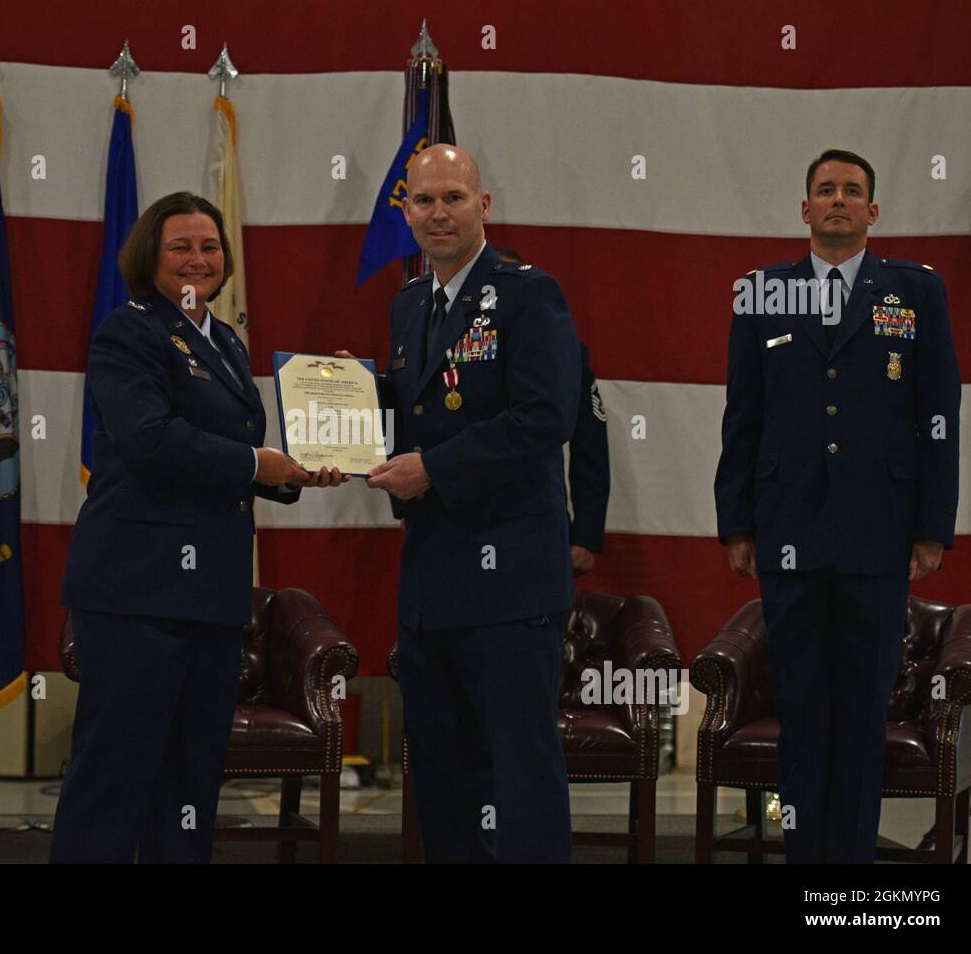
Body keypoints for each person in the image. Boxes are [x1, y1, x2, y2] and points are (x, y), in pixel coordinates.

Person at [50, 192, 343, 863]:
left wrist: (299, 469)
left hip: (209, 593)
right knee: (113, 774)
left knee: (189, 781)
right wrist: (256, 462)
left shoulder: (226, 340)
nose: (197, 258)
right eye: (180, 245)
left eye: (209, 246)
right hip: (136, 591)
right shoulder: (128, 331)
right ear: (148, 256)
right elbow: (151, 441)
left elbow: (242, 458)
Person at [715, 150, 960, 863]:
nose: (838, 200)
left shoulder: (913, 293)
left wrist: (931, 525)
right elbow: (744, 415)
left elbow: (937, 414)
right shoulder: (763, 293)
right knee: (802, 712)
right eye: (825, 190)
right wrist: (737, 520)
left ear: (873, 212)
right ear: (804, 208)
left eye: (852, 191)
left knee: (859, 719)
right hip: (788, 530)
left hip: (876, 535)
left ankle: (848, 877)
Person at [361, 144, 582, 862]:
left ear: (483, 205)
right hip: (432, 578)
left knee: (521, 771)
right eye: (423, 201)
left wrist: (434, 468)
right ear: (406, 211)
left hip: (511, 578)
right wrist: (336, 429)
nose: (439, 213)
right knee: (441, 771)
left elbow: (546, 417)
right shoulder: (406, 305)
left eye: (454, 197)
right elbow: (403, 416)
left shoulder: (528, 294)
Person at [494, 247, 610, 575]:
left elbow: (590, 445)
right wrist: (406, 508)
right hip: (450, 524)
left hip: (534, 523)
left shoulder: (564, 353)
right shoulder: (444, 351)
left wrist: (586, 534)